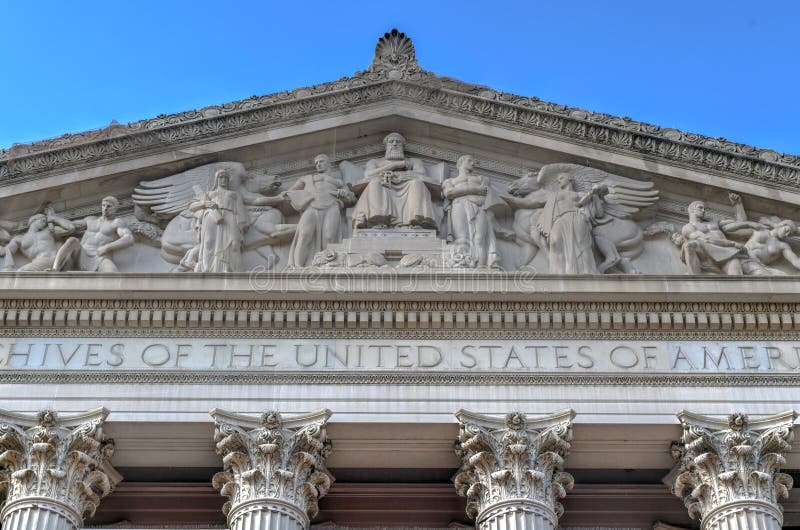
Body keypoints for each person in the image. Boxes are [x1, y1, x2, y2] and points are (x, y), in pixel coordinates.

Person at [351, 132, 436, 229]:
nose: (394, 144)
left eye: (398, 142)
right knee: (375, 183)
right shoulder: (375, 162)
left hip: (406, 186)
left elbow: (421, 174)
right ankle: (378, 221)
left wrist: (399, 176)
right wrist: (395, 165)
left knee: (417, 183)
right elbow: (368, 175)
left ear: (403, 146)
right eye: (391, 142)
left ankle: (415, 222)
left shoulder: (414, 161)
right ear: (386, 146)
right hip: (384, 187)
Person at [285, 154, 355, 267]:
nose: (318, 164)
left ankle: (326, 265)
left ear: (329, 164)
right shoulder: (306, 179)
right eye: (316, 163)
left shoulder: (338, 182)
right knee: (304, 235)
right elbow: (288, 193)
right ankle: (298, 268)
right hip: (312, 206)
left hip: (331, 206)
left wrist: (344, 194)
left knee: (329, 236)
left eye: (321, 162)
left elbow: (352, 199)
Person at [537, 172, 606, 274]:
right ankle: (557, 273)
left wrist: (596, 195)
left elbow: (600, 213)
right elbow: (537, 204)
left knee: (583, 245)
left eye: (561, 178)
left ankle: (587, 272)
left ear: (570, 179)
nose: (558, 181)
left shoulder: (582, 195)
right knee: (555, 243)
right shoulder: (554, 195)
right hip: (559, 220)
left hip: (577, 219)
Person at [442, 155, 502, 268]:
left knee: (479, 239)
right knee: (461, 238)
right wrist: (475, 190)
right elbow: (449, 193)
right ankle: (462, 263)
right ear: (460, 163)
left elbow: (486, 191)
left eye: (474, 161)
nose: (473, 163)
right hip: (459, 206)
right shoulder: (450, 181)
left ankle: (481, 267)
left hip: (478, 207)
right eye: (470, 161)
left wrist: (460, 191)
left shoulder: (481, 179)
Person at [54, 196, 134, 272]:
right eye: (103, 205)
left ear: (115, 208)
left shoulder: (117, 222)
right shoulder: (91, 220)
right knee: (72, 240)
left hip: (100, 256)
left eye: (109, 206)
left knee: (112, 274)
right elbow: (70, 225)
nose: (105, 208)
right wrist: (54, 218)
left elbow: (129, 238)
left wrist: (107, 247)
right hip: (82, 253)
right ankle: (55, 269)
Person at [187, 169, 245, 273]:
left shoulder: (234, 194)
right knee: (209, 242)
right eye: (221, 177)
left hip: (229, 217)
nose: (224, 180)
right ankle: (206, 268)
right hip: (211, 217)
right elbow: (191, 207)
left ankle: (227, 268)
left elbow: (241, 211)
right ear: (216, 179)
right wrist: (204, 203)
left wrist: (241, 225)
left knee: (233, 243)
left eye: (226, 178)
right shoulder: (209, 194)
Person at [678, 201, 744, 275]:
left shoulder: (714, 222)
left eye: (704, 209)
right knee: (689, 245)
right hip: (708, 259)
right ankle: (695, 279)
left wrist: (738, 205)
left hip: (727, 254)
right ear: (692, 210)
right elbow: (707, 239)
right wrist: (733, 243)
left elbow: (740, 223)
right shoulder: (688, 227)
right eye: (700, 208)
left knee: (737, 275)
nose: (703, 211)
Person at [0, 210, 75, 271]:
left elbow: (70, 228)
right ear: (33, 220)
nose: (44, 223)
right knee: (19, 274)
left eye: (45, 222)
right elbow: (4, 251)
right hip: (39, 262)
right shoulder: (19, 239)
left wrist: (53, 218)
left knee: (21, 273)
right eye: (42, 220)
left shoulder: (48, 231)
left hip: (54, 258)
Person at [503, 171, 549, 268]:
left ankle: (551, 259)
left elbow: (529, 203)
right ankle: (521, 266)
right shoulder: (529, 194)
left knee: (537, 236)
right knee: (528, 249)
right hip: (524, 234)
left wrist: (502, 197)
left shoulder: (544, 193)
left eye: (526, 180)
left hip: (536, 228)